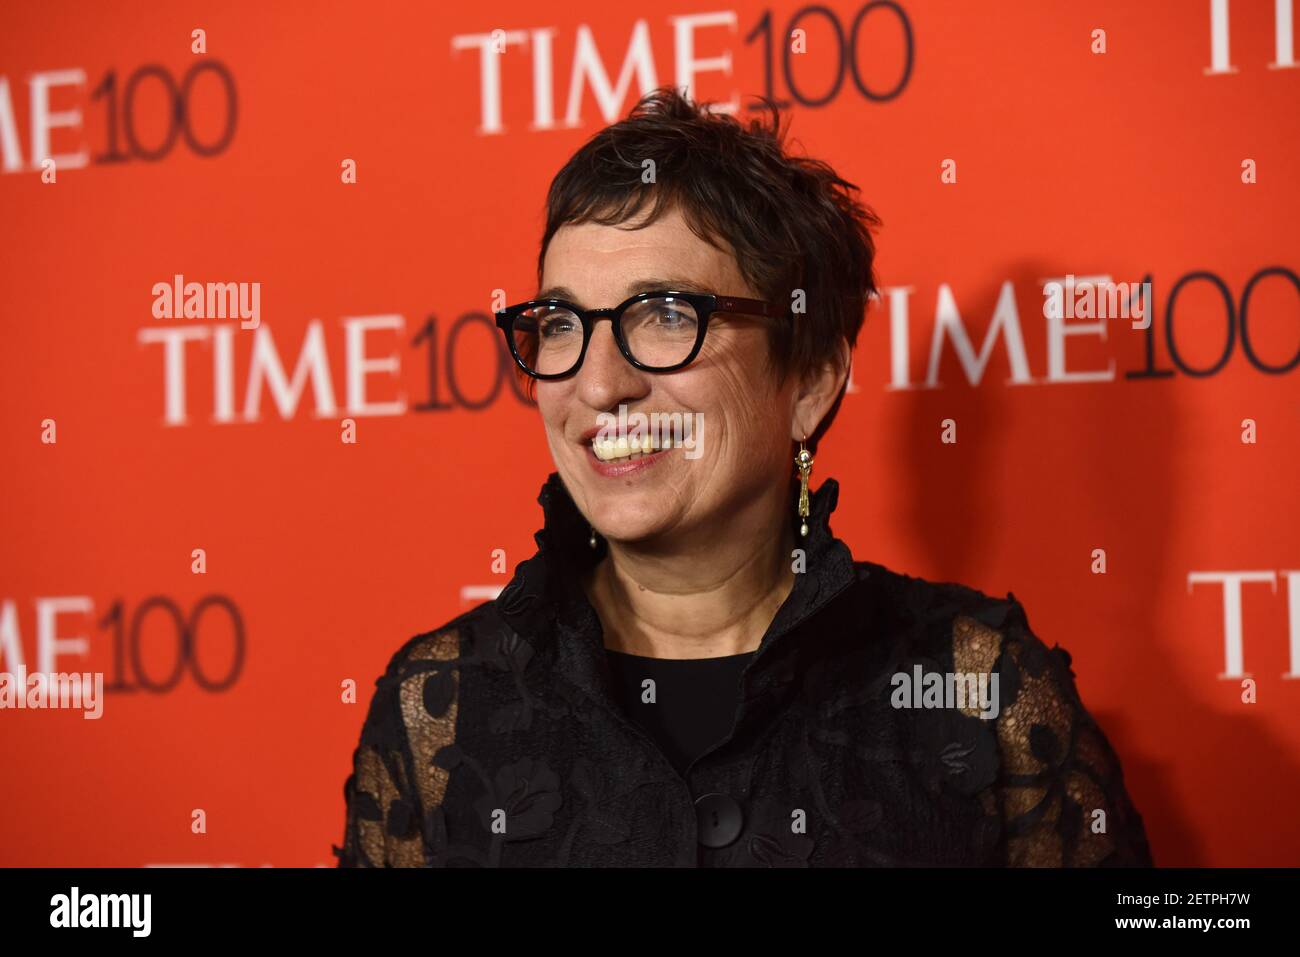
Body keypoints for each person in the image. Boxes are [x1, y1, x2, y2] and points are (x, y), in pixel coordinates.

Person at [334, 86, 1153, 867]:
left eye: (663, 316)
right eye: (560, 324)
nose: (597, 384)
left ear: (809, 381)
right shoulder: (440, 711)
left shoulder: (980, 689)